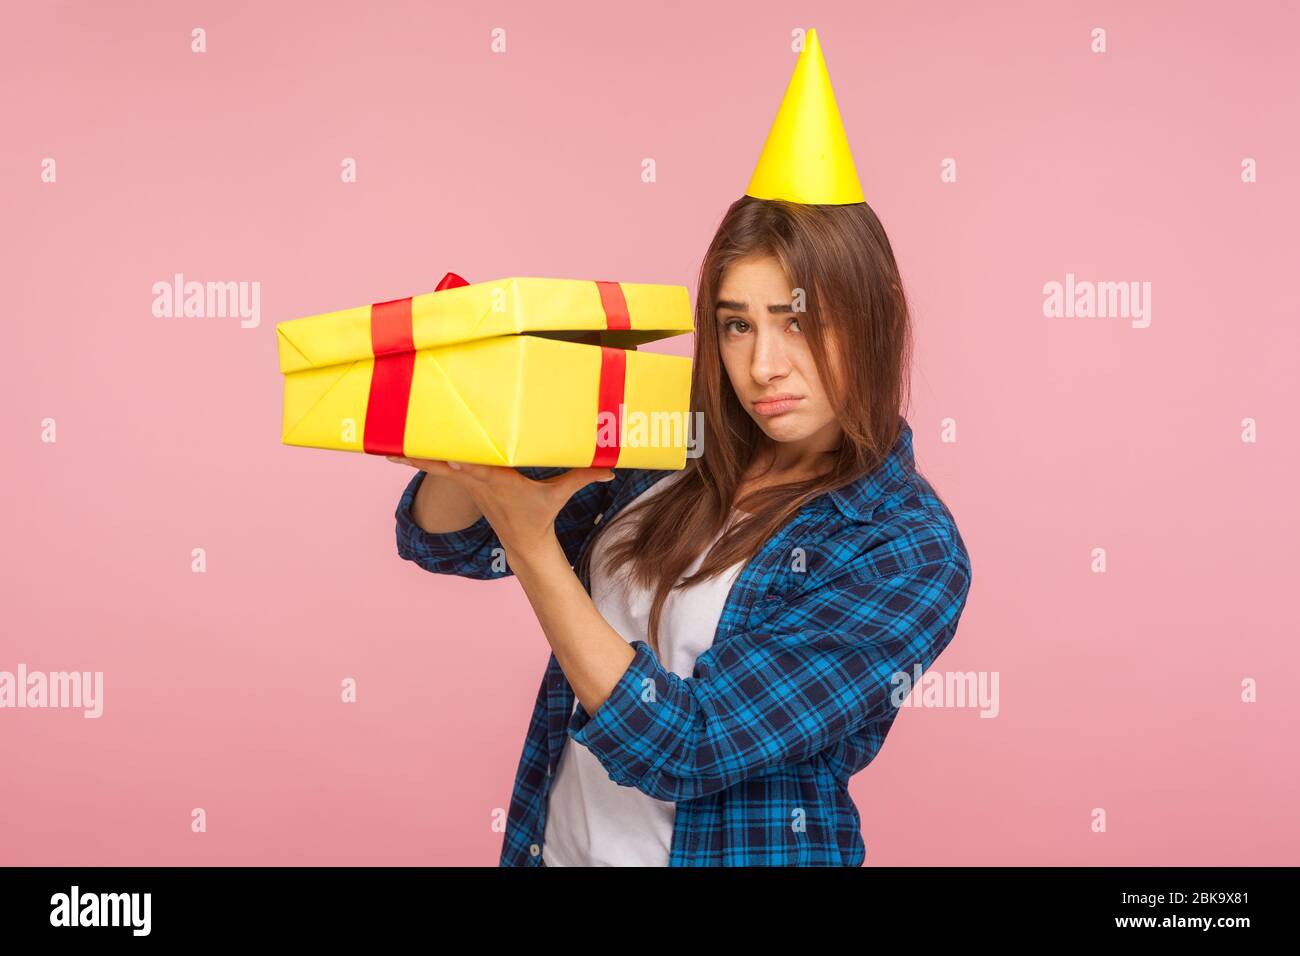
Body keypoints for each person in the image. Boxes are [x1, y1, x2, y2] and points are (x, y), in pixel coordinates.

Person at [388, 28, 972, 866]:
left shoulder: (905, 549)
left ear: (875, 315)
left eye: (800, 322)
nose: (763, 366)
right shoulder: (669, 442)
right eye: (737, 324)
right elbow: (447, 542)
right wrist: (466, 431)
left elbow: (685, 746)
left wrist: (531, 543)